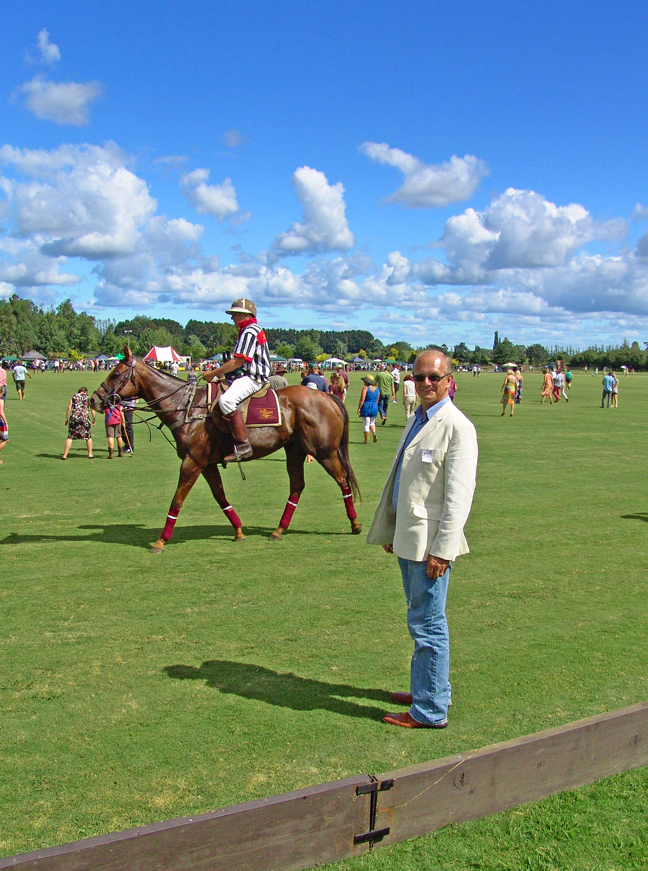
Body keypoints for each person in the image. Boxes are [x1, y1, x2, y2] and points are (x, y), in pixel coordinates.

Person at [367, 349, 478, 728]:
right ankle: (426, 689)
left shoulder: (456, 426)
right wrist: (393, 529)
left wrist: (443, 551)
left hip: (431, 547)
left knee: (428, 624)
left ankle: (430, 710)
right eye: (419, 377)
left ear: (450, 380)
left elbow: (458, 498)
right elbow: (406, 482)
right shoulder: (418, 418)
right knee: (421, 621)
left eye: (434, 377)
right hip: (409, 538)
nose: (426, 383)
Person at [203, 298, 271, 462]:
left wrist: (214, 372)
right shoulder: (248, 330)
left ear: (244, 315)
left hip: (254, 378)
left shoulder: (249, 331)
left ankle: (243, 445)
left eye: (234, 314)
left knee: (226, 401)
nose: (232, 318)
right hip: (247, 375)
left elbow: (238, 362)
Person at [62, 387, 96, 459]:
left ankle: (64, 455)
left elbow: (69, 408)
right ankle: (90, 454)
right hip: (85, 417)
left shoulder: (74, 397)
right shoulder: (88, 397)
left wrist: (66, 418)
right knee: (88, 436)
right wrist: (94, 419)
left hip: (74, 417)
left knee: (70, 436)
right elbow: (92, 409)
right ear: (86, 391)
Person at [357, 374, 380, 443]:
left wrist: (359, 408)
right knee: (372, 422)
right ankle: (374, 433)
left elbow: (362, 399)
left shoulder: (365, 388)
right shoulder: (377, 389)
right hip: (374, 406)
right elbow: (377, 400)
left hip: (366, 406)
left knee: (366, 424)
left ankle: (366, 440)